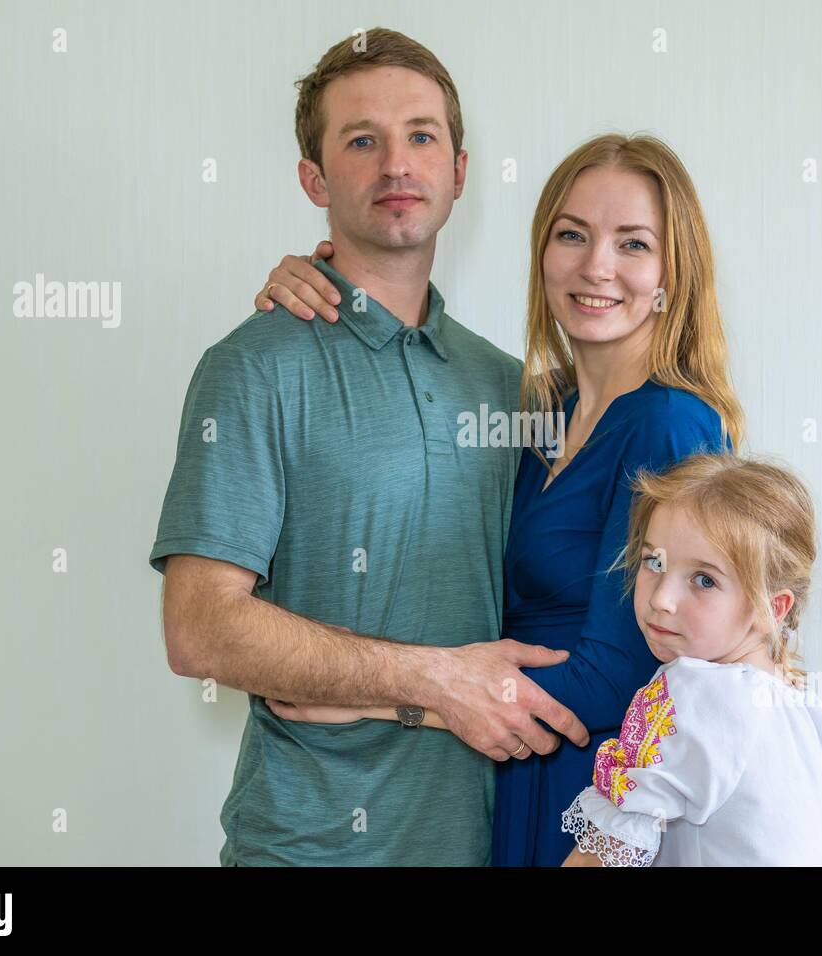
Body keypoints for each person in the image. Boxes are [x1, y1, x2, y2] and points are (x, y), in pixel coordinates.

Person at [148, 28, 588, 867]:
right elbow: (199, 628)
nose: (397, 164)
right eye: (362, 141)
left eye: (422, 135)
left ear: (460, 171)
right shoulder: (253, 367)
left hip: (487, 843)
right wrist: (428, 686)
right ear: (314, 179)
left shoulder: (515, 391)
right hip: (306, 849)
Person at [259, 133, 751, 865]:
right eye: (572, 235)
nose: (596, 267)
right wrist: (327, 287)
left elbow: (620, 674)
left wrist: (376, 698)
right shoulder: (534, 410)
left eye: (633, 244)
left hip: (594, 797)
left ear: (671, 278)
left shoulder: (670, 423)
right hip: (503, 779)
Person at [559, 453, 822, 866]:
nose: (661, 599)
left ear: (773, 608)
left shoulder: (695, 694)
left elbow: (603, 856)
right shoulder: (804, 709)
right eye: (653, 562)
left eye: (704, 580)